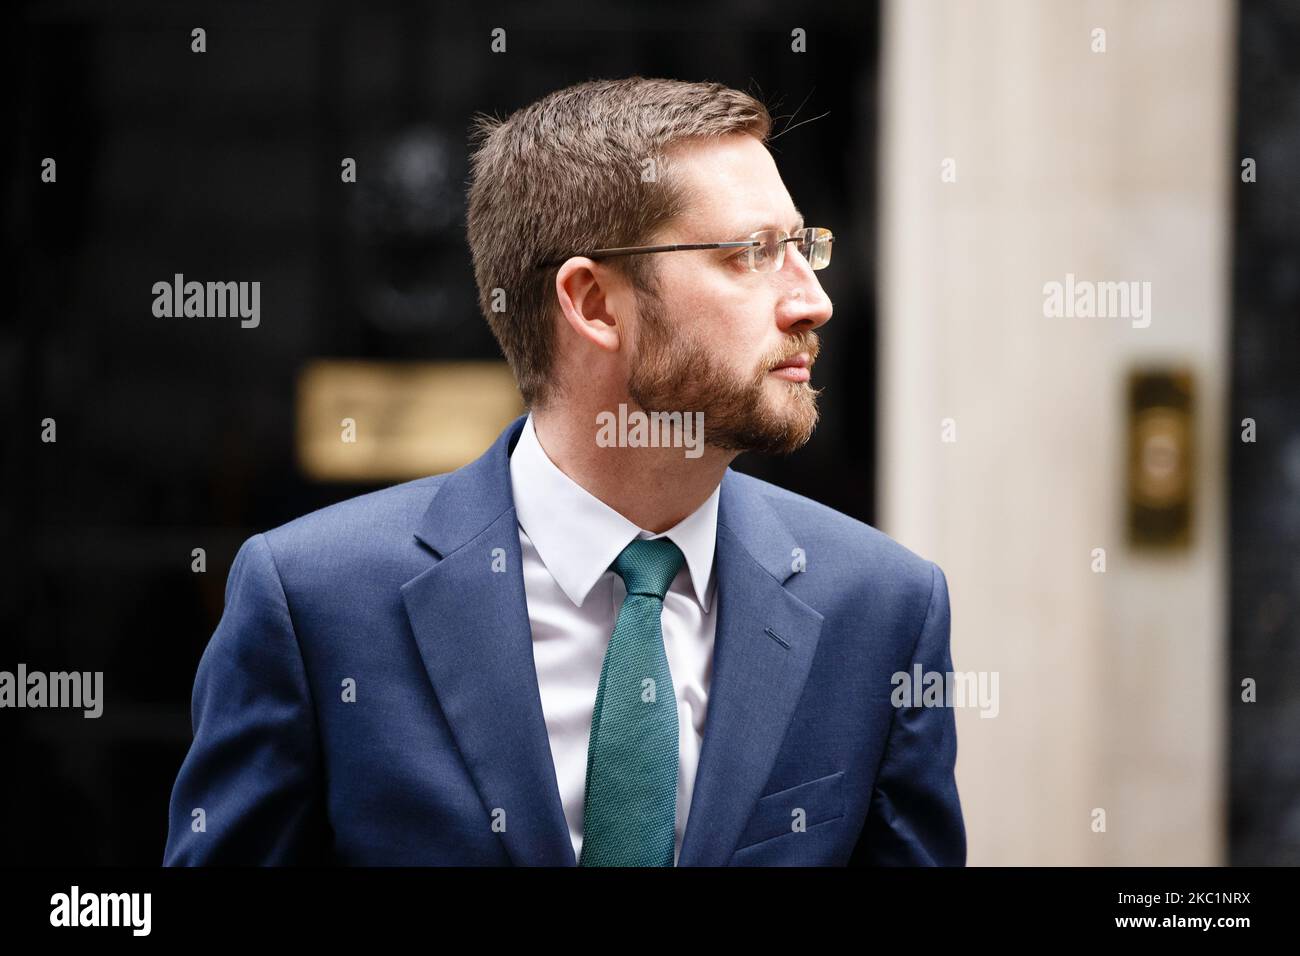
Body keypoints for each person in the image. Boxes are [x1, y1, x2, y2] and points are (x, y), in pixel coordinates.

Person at [163, 76, 965, 866]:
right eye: (751, 254)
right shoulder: (316, 602)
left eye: (802, 247)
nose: (811, 300)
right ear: (593, 303)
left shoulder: (884, 609)